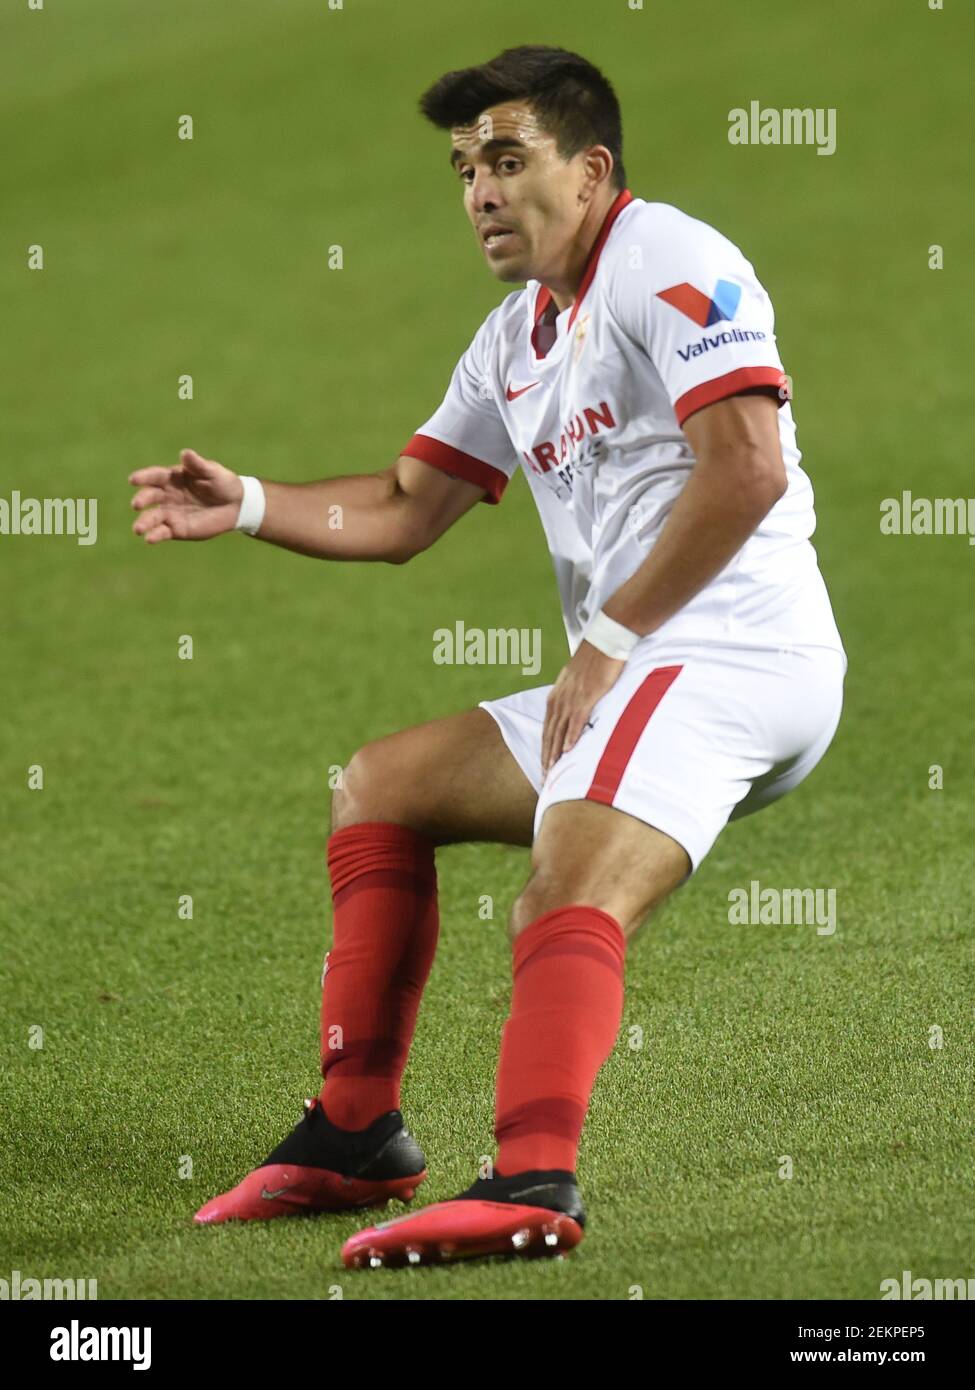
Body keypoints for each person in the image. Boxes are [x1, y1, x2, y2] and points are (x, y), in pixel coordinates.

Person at [129, 46, 846, 1270]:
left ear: (592, 169)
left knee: (568, 881)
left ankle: (533, 1178)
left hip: (735, 656)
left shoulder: (666, 254)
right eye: (465, 167)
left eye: (509, 160)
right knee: (383, 788)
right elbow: (410, 507)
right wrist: (247, 500)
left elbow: (750, 466)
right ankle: (358, 1133)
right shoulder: (516, 335)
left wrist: (608, 641)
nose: (479, 192)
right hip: (636, 673)